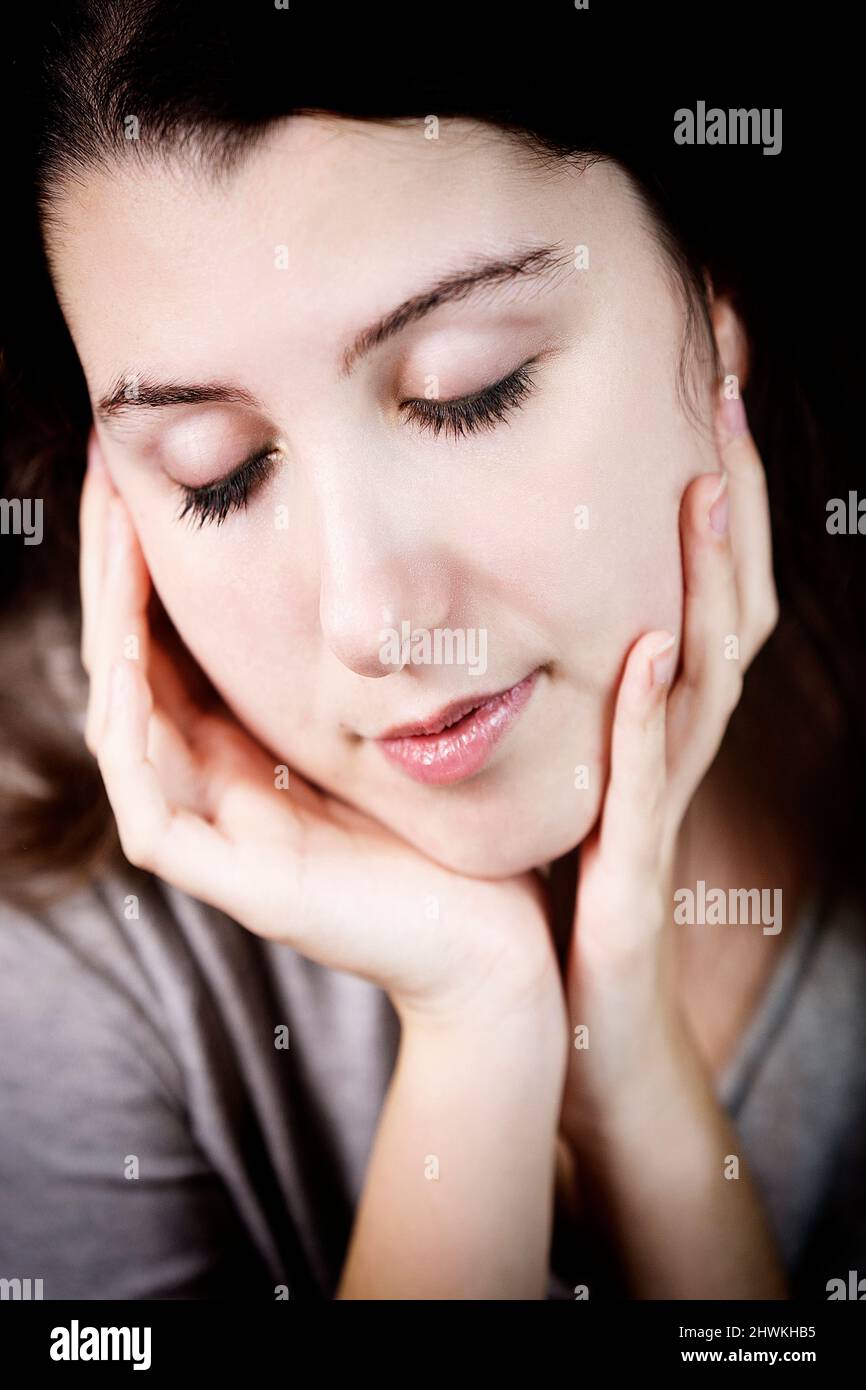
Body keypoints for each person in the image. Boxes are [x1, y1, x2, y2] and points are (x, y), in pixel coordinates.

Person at [1, 2, 863, 1300]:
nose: (371, 615)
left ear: (713, 302)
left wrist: (641, 1105)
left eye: (468, 391)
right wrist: (478, 1026)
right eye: (217, 475)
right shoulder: (62, 941)